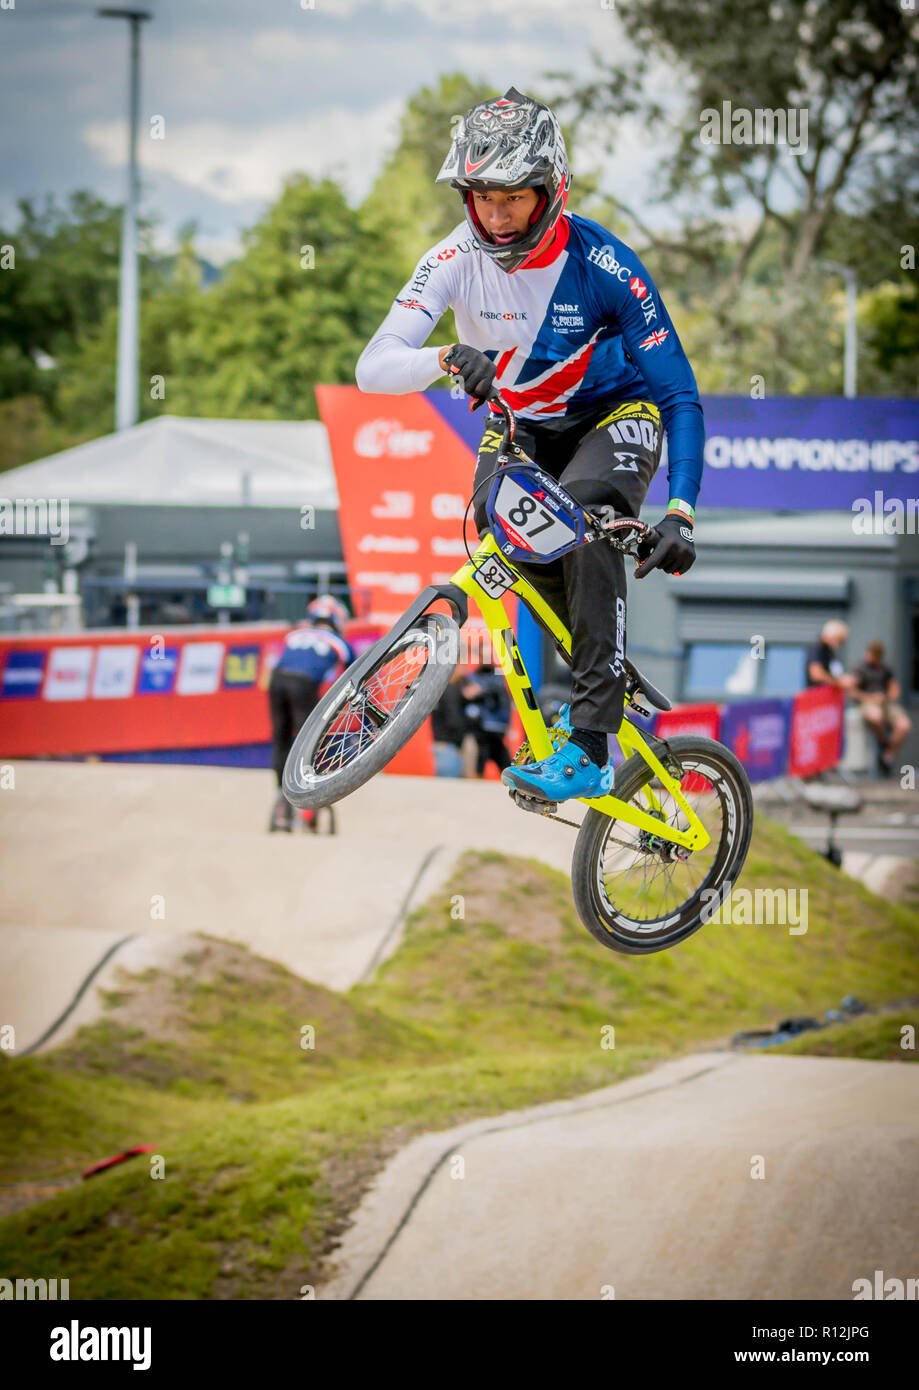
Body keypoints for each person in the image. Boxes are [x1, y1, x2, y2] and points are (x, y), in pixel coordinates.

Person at [355, 87, 702, 805]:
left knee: (578, 519)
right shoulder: (452, 257)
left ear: (552, 190)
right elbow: (374, 364)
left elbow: (679, 394)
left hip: (615, 412)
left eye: (512, 196)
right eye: (479, 195)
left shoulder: (606, 266)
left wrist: (681, 510)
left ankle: (591, 746)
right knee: (497, 530)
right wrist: (447, 357)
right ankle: (597, 656)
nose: (494, 213)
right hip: (522, 424)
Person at [267, 595, 353, 831]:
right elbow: (355, 677)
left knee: (282, 739)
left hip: (276, 680)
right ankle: (308, 805)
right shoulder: (339, 643)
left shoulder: (294, 635)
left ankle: (281, 800)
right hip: (304, 684)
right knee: (310, 742)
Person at [849, 640, 912, 775]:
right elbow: (852, 692)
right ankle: (883, 741)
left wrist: (887, 697)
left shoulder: (886, 668)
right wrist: (871, 697)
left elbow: (894, 689)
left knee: (904, 725)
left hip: (885, 704)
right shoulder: (860, 668)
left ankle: (887, 753)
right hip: (867, 703)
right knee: (875, 716)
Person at [462, 662, 512, 776]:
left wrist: (481, 689)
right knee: (478, 764)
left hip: (498, 727)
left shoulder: (498, 676)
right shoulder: (472, 676)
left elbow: (499, 690)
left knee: (507, 767)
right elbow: (467, 694)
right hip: (481, 728)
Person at [431, 666, 469, 777]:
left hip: (443, 745)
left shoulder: (441, 689)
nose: (464, 670)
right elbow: (454, 721)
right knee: (447, 787)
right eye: (462, 666)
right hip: (449, 746)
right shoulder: (451, 690)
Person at [805, 620, 852, 690]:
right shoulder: (817, 649)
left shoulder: (830, 652)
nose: (838, 644)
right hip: (817, 694)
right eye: (838, 639)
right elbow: (816, 674)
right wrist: (838, 683)